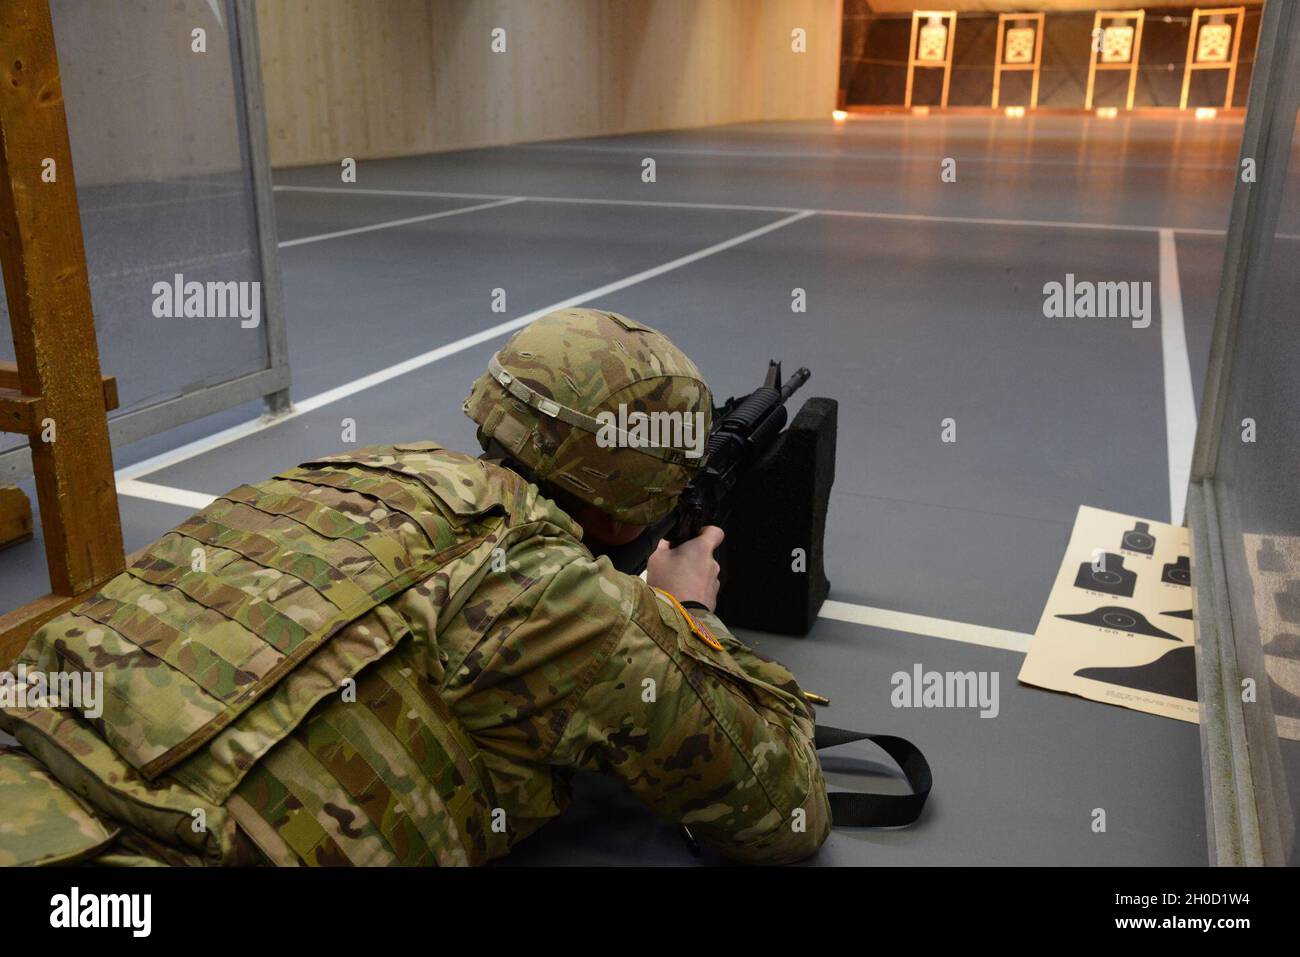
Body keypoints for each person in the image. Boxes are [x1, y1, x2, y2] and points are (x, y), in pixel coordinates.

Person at [0, 308, 830, 867]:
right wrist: (685, 613)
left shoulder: (356, 470)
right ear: (635, 503)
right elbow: (784, 810)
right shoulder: (561, 601)